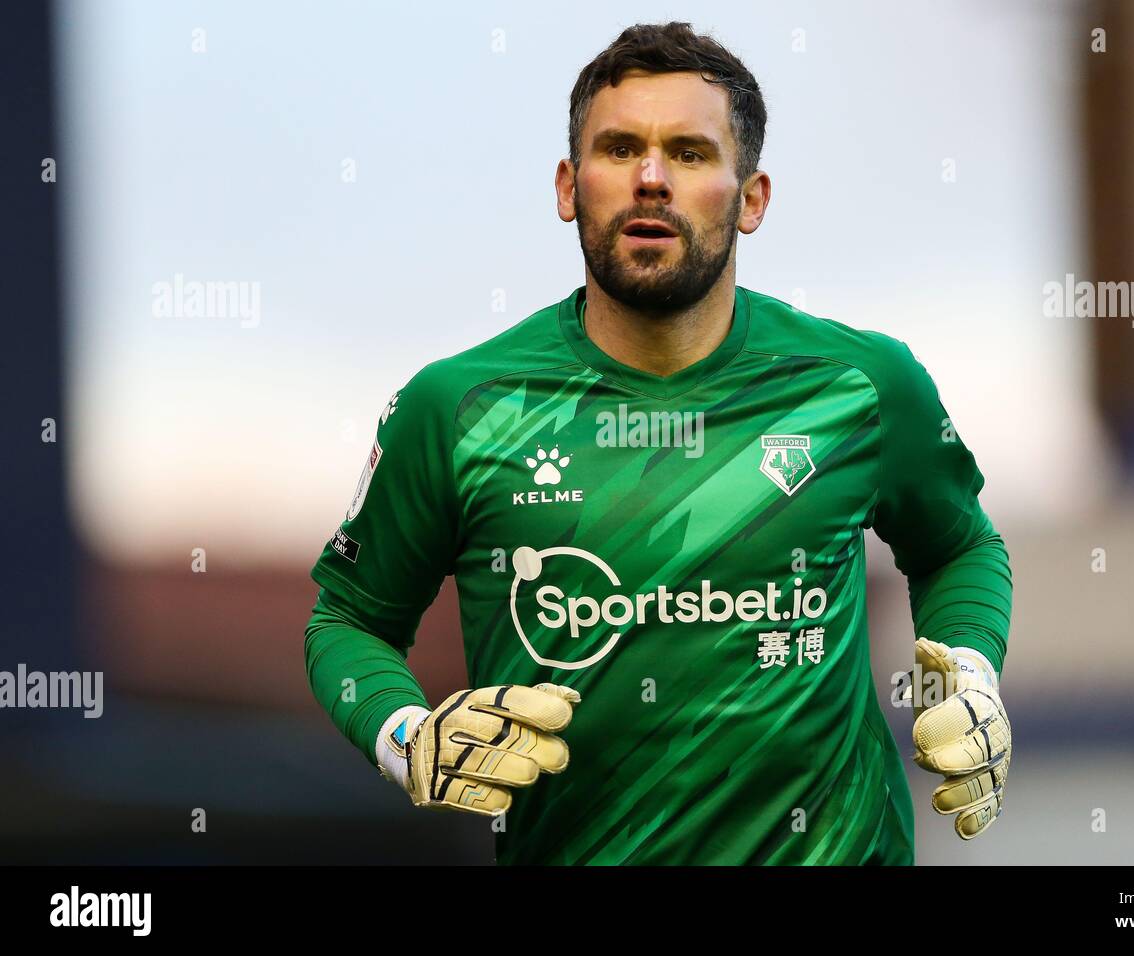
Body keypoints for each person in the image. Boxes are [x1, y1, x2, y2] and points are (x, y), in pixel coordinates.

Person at [304, 20, 1012, 865]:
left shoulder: (863, 385)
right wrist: (407, 737)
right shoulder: (458, 407)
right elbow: (347, 620)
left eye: (689, 152)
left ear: (751, 199)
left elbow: (959, 546)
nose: (650, 179)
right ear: (569, 187)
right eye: (619, 149)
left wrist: (971, 675)